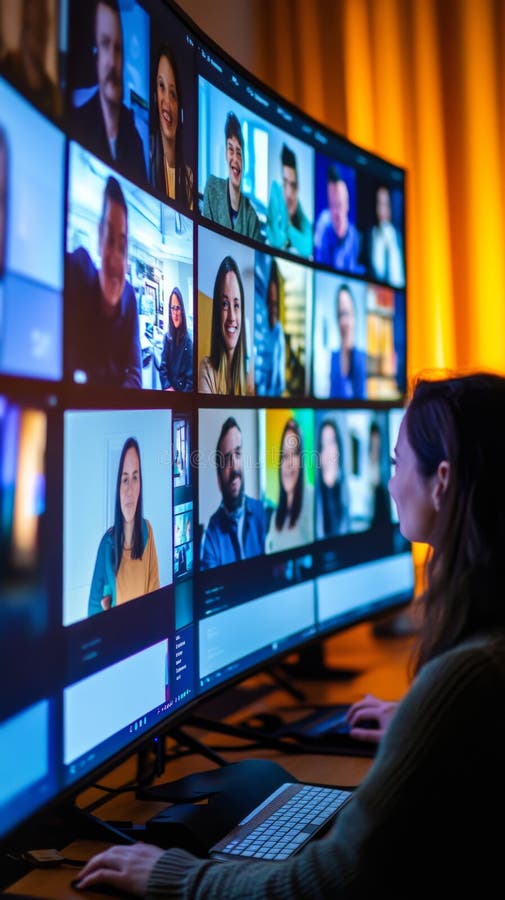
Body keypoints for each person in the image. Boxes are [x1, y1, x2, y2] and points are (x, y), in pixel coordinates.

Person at [74, 372, 505, 895]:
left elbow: (322, 883)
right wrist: (422, 730)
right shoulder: (476, 668)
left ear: (442, 480)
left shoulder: (470, 676)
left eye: (396, 463)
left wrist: (174, 876)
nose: (391, 483)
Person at [65, 174, 142, 388]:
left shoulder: (129, 298)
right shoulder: (78, 270)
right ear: (99, 238)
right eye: (109, 240)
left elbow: (135, 375)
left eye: (122, 247)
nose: (116, 259)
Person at [71, 0, 147, 185]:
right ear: (95, 52)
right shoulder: (77, 124)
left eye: (118, 49)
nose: (112, 62)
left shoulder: (134, 139)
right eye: (105, 44)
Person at [88, 437, 159, 616]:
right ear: (118, 488)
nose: (129, 489)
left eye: (135, 477)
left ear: (140, 484)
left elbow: (155, 597)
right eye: (124, 479)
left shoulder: (147, 531)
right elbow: (94, 611)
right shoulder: (107, 544)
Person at [200, 417, 265, 570]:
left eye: (238, 454)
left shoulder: (263, 513)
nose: (234, 465)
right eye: (227, 458)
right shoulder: (212, 535)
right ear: (218, 478)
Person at [198, 255, 253, 396]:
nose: (232, 317)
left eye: (236, 305)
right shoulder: (206, 369)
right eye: (224, 304)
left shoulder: (253, 373)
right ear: (217, 310)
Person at [203, 111, 261, 241]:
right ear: (225, 152)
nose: (235, 158)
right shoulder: (212, 187)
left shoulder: (252, 218)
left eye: (239, 152)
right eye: (231, 149)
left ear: (245, 160)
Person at [0, 0, 62, 118]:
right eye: (30, 26)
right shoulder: (6, 73)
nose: (40, 38)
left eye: (43, 25)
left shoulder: (52, 96)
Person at [150, 44, 193, 210]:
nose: (167, 102)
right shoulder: (146, 157)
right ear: (154, 95)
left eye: (173, 94)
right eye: (161, 86)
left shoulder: (188, 178)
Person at [266, 417, 313, 553]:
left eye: (294, 454)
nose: (289, 464)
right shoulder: (276, 515)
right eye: (285, 456)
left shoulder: (311, 499)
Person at [314, 165, 363, 273]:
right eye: (333, 205)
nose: (337, 213)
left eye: (340, 205)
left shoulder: (355, 238)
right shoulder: (322, 227)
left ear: (347, 205)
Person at [266, 143, 312, 257]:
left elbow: (308, 247)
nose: (289, 193)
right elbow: (276, 240)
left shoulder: (305, 224)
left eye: (293, 185)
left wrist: (288, 228)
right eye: (285, 183)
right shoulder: (271, 226)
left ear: (298, 187)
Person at [361, 185, 405, 287]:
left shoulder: (399, 238)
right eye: (379, 204)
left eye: (385, 204)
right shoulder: (369, 236)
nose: (382, 210)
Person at [329, 283, 367, 400]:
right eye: (341, 315)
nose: (344, 321)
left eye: (348, 314)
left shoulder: (362, 358)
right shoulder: (332, 358)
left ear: (355, 317)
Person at [315, 418, 350, 538]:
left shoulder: (347, 492)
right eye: (323, 445)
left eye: (331, 442)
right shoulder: (314, 497)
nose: (328, 451)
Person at [259, 257, 286, 396]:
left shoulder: (278, 332)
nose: (272, 309)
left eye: (275, 304)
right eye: (269, 303)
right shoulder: (259, 331)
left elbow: (279, 382)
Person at [159, 286, 193, 392]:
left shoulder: (188, 342)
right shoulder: (166, 338)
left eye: (178, 308)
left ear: (182, 310)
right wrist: (168, 387)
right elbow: (163, 369)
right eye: (172, 308)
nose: (175, 313)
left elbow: (191, 380)